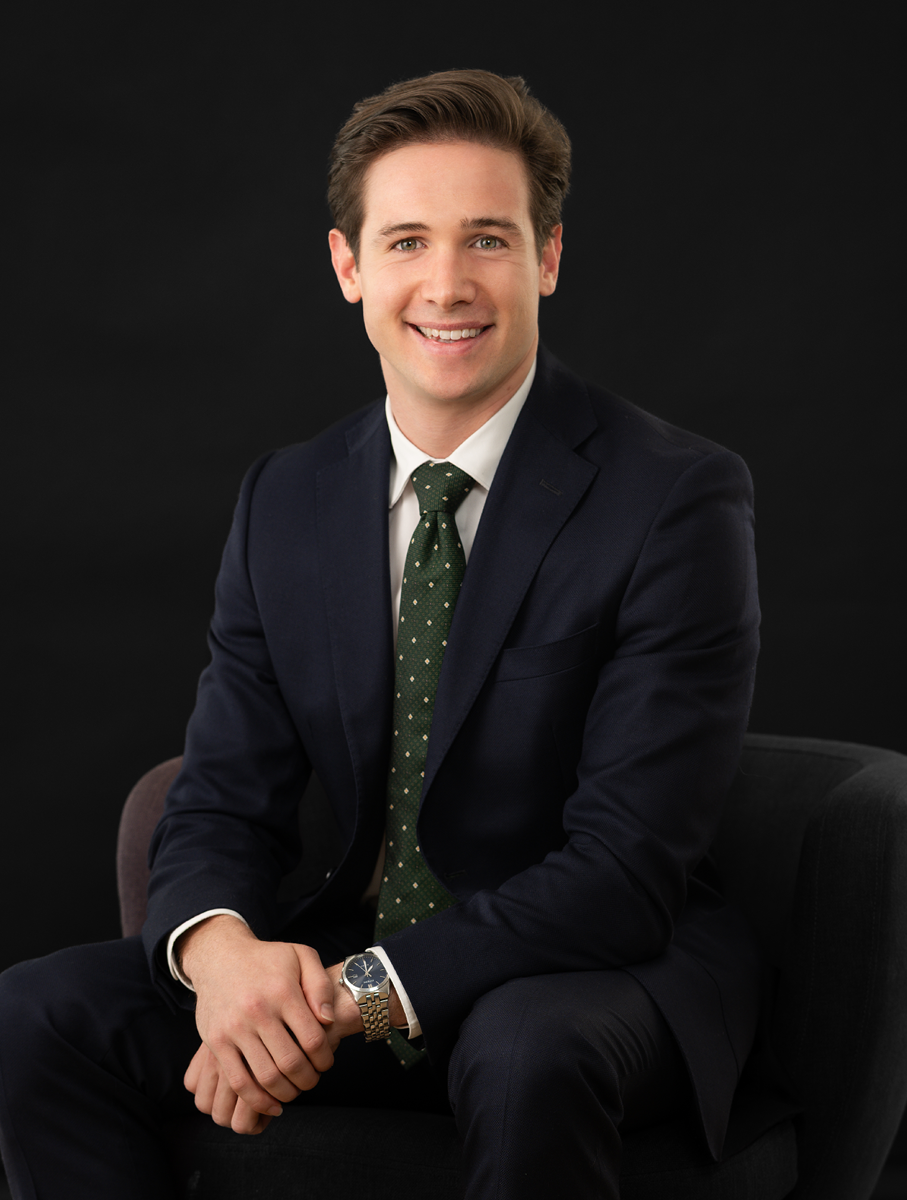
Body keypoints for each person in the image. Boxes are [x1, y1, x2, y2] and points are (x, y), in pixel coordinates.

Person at [0, 69, 763, 1199]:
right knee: (35, 1013)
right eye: (406, 241)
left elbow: (623, 870)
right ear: (348, 265)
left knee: (525, 1052)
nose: (446, 284)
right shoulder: (286, 499)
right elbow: (220, 798)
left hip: (586, 975)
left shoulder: (673, 497)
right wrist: (224, 964)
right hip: (340, 973)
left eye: (488, 240)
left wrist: (344, 996)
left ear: (548, 258)